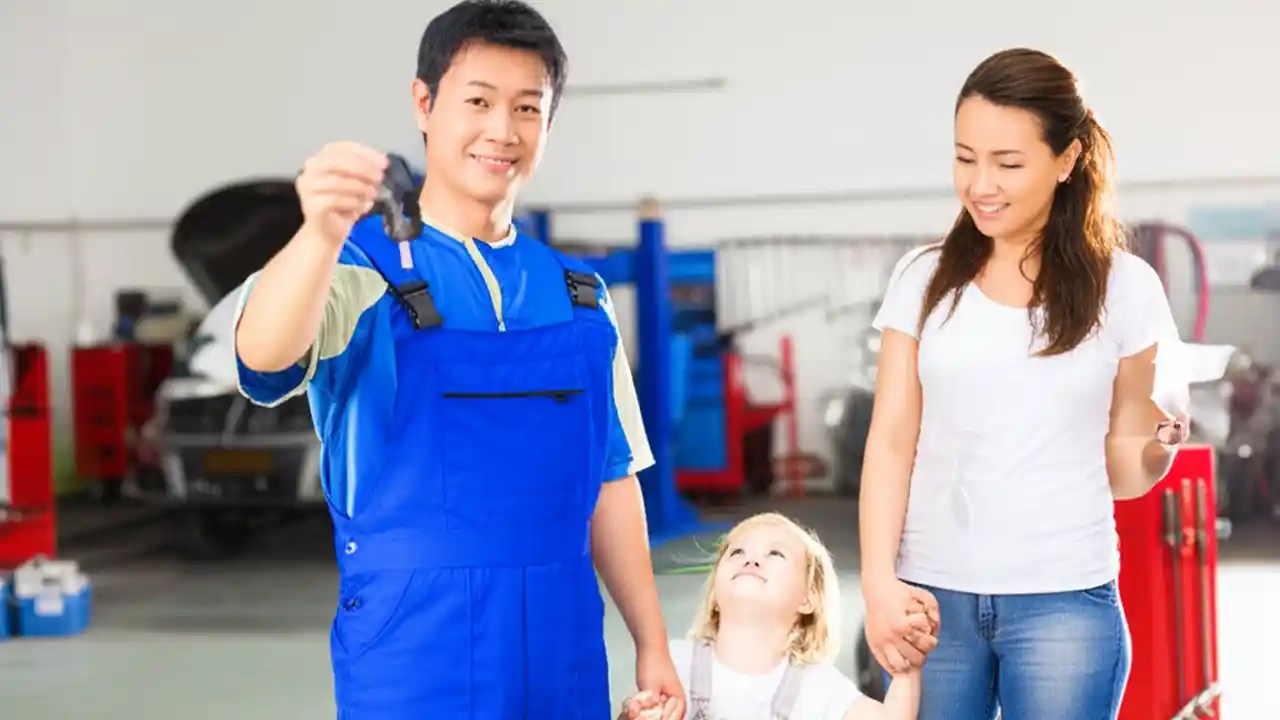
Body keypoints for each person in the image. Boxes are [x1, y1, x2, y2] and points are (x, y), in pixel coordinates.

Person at [232, 1, 686, 717]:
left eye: (528, 109)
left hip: (561, 644)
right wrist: (318, 234)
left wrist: (652, 641)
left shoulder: (581, 297)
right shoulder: (357, 270)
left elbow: (611, 479)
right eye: (478, 101)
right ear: (425, 103)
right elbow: (263, 357)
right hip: (413, 649)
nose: (502, 131)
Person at [858, 48, 1190, 719]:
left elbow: (1125, 473)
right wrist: (876, 586)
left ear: (1066, 161)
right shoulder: (921, 280)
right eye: (965, 157)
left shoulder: (1125, 289)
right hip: (929, 601)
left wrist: (1160, 441)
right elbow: (891, 441)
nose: (981, 184)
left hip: (1064, 601)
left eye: (1008, 163)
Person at [622, 513, 930, 720]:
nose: (752, 560)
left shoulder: (817, 686)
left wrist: (906, 664)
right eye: (736, 552)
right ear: (714, 593)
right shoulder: (676, 663)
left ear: (808, 598)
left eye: (775, 554)